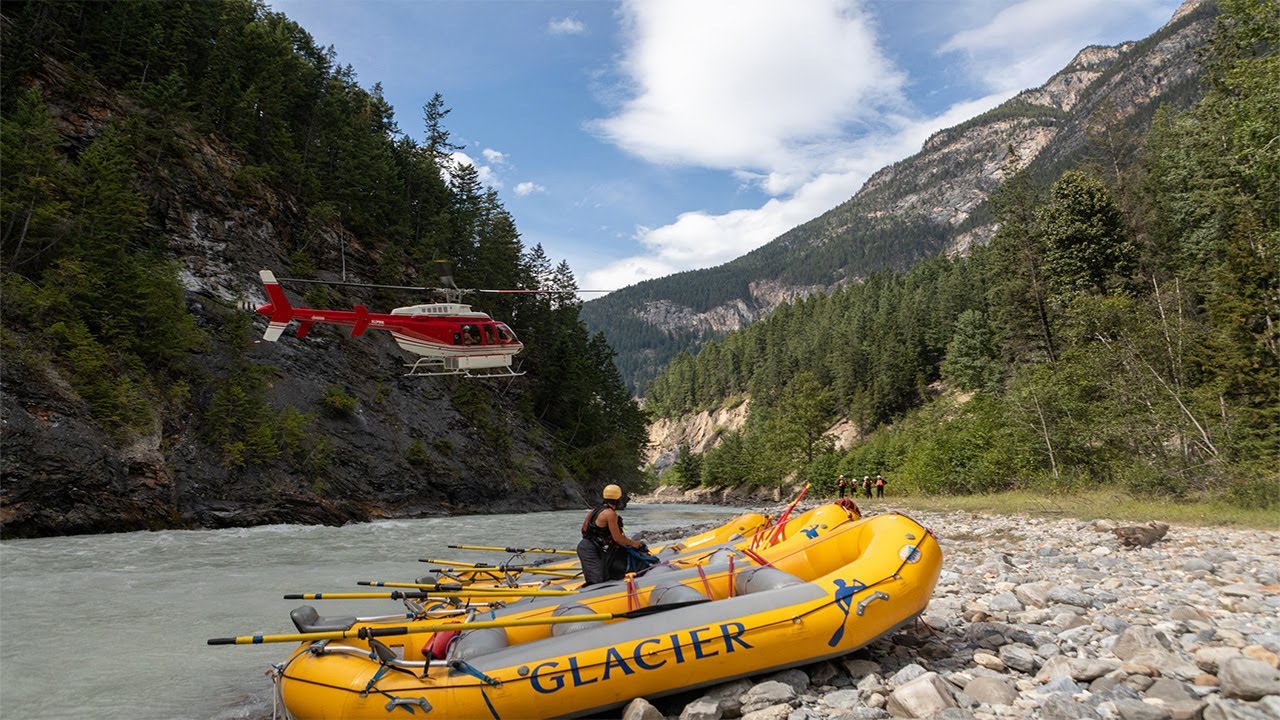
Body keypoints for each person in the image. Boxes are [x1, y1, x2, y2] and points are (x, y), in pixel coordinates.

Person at [576, 484, 646, 585]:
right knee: (596, 582)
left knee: (605, 577)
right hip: (589, 549)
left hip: (593, 547)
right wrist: (634, 544)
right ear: (618, 499)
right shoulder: (610, 514)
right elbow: (618, 538)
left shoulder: (597, 510)